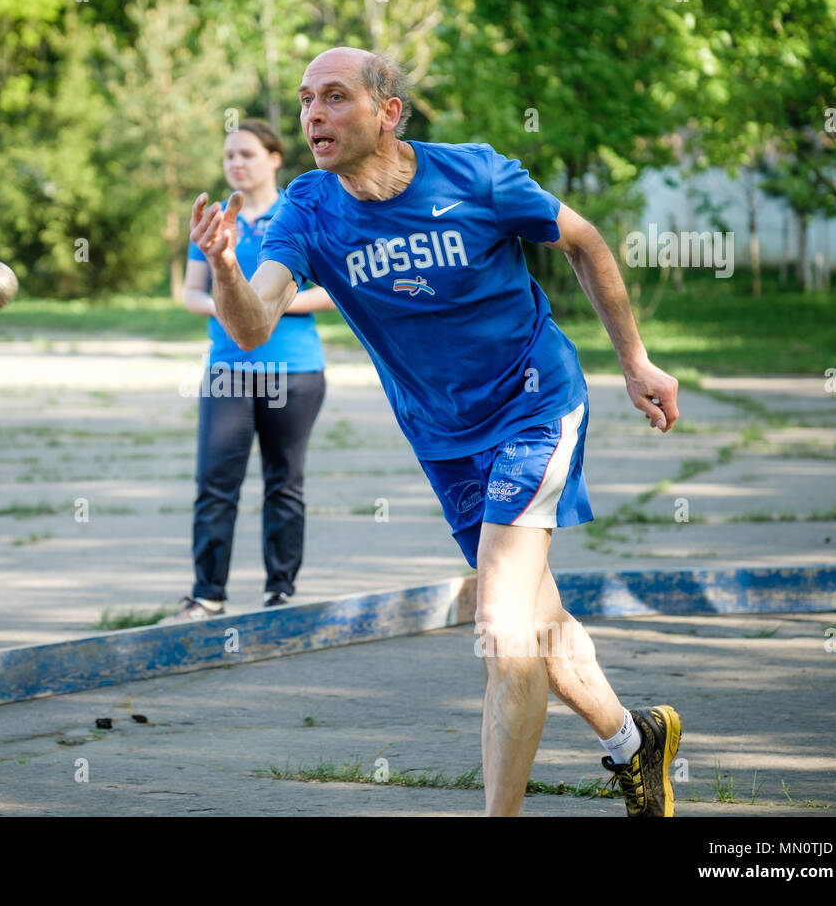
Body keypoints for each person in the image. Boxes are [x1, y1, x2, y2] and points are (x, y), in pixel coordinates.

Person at [190, 48, 683, 817]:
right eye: (304, 100)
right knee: (537, 620)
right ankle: (633, 743)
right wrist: (223, 265)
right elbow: (252, 328)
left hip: (534, 405)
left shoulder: (476, 176)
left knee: (501, 624)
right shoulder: (308, 207)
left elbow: (582, 240)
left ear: (388, 112)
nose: (313, 115)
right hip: (443, 437)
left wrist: (635, 361)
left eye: (334, 97)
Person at [162, 119, 335, 624]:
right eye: (229, 156)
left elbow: (336, 288)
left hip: (294, 371)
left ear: (275, 158)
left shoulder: (302, 213)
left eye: (247, 154)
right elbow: (192, 293)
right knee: (215, 482)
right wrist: (235, 306)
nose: (236, 163)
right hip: (227, 371)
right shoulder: (214, 220)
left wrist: (270, 308)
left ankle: (280, 593)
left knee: (285, 484)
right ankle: (206, 595)